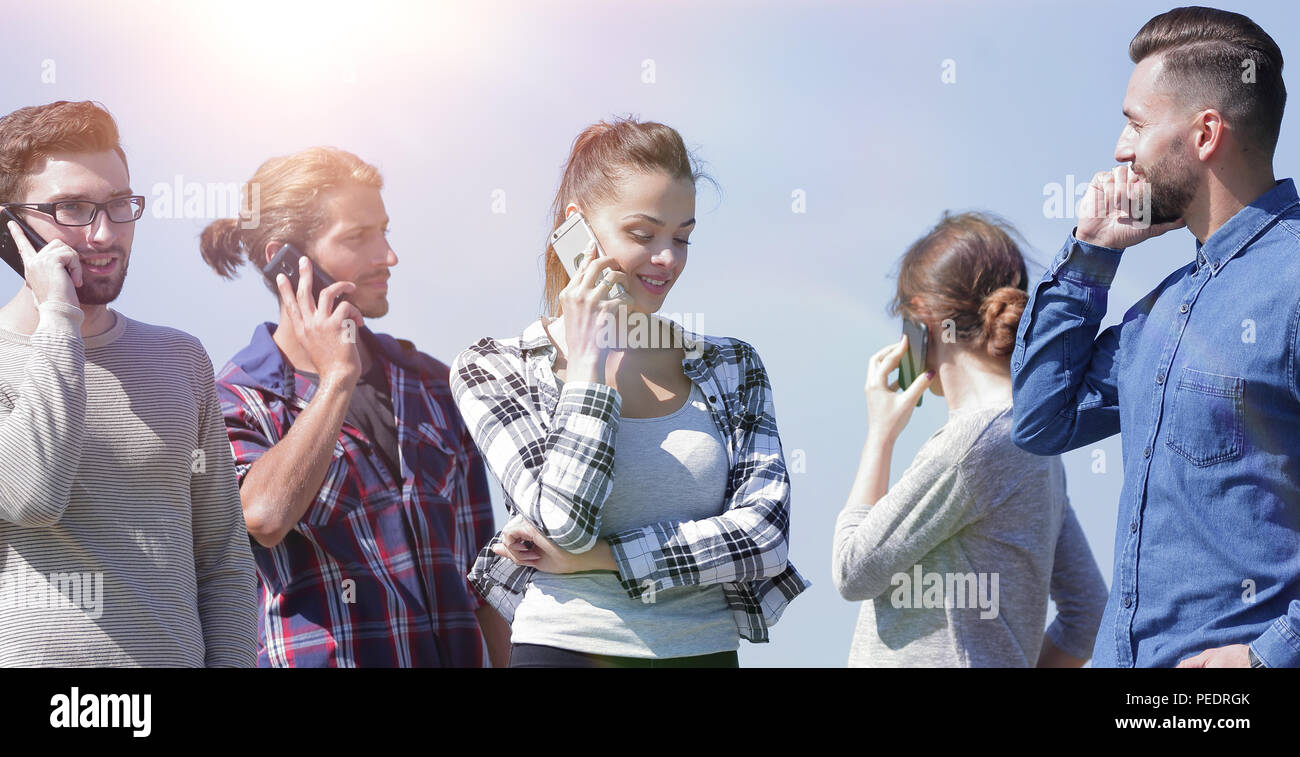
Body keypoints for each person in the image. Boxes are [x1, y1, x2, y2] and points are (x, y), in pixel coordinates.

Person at [451, 117, 809, 667]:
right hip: (565, 651)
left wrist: (607, 558)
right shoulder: (495, 367)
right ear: (578, 231)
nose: (667, 258)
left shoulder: (732, 365)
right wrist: (589, 365)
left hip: (703, 655)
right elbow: (564, 524)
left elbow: (763, 538)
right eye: (643, 235)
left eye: (682, 237)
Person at [1011, 6, 1299, 668]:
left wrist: (1271, 654)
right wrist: (1091, 251)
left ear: (1204, 133)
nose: (1119, 149)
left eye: (1136, 124)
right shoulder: (1160, 311)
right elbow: (1039, 419)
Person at [203, 146, 508, 667]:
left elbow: (484, 580)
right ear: (286, 258)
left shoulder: (433, 384)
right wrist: (337, 378)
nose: (387, 256)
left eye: (384, 231)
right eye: (357, 237)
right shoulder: (237, 397)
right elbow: (266, 514)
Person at [0, 100, 257, 666]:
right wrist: (59, 321)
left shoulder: (180, 358)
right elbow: (31, 498)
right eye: (71, 208)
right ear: (9, 223)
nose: (103, 233)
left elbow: (224, 561)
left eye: (120, 205)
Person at [831, 212, 1108, 667]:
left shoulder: (968, 445)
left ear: (922, 321)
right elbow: (1089, 616)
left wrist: (879, 436)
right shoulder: (1036, 442)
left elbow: (852, 570)